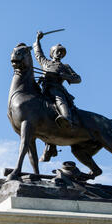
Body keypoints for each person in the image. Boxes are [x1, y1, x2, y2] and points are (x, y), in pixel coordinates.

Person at [33, 30, 81, 161]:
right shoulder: (46, 62)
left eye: (62, 52)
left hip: (56, 90)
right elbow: (38, 53)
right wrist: (38, 40)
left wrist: (64, 76)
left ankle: (66, 118)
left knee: (59, 100)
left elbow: (77, 78)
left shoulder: (65, 66)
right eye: (57, 51)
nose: (59, 54)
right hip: (43, 90)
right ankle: (49, 144)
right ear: (52, 53)